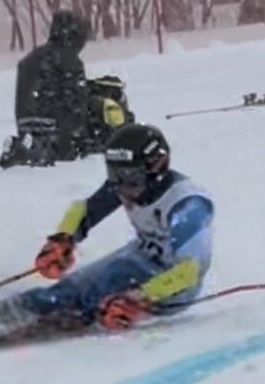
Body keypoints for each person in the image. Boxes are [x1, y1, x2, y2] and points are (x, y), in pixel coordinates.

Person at [17, 122, 214, 330]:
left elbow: (189, 271)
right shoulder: (128, 183)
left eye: (130, 176)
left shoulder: (187, 205)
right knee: (75, 284)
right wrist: (63, 238)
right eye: (115, 174)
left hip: (172, 285)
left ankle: (72, 316)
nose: (120, 186)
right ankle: (17, 309)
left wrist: (139, 297)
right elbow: (87, 209)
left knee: (108, 282)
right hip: (140, 257)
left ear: (157, 166)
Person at [0, 10, 91, 167]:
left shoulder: (31, 59)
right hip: (59, 135)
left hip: (27, 127)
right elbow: (77, 105)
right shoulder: (70, 61)